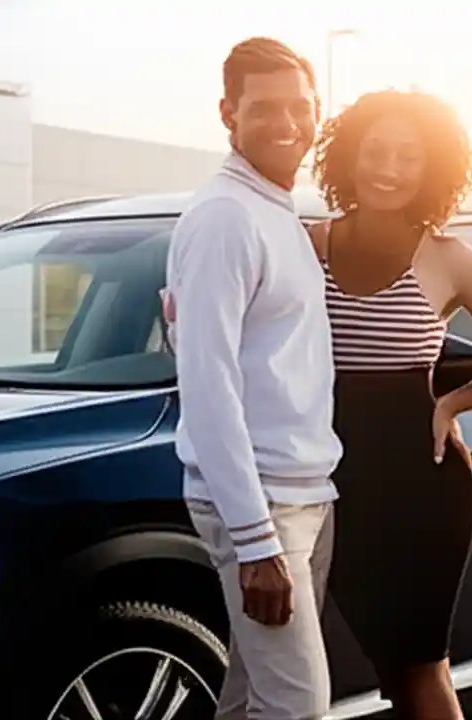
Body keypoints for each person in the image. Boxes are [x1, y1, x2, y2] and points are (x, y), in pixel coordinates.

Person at [308, 89, 472, 718]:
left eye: (409, 156)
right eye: (375, 150)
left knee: (422, 672)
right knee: (390, 672)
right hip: (332, 484)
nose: (388, 169)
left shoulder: (450, 260)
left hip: (421, 489)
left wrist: (450, 405)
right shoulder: (306, 244)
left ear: (432, 170)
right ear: (350, 154)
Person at [164, 36, 344, 719]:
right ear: (228, 114)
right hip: (262, 506)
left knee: (246, 702)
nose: (287, 124)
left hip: (304, 493)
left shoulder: (274, 209)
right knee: (298, 706)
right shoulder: (226, 217)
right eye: (264, 108)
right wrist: (256, 541)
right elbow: (207, 385)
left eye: (300, 107)